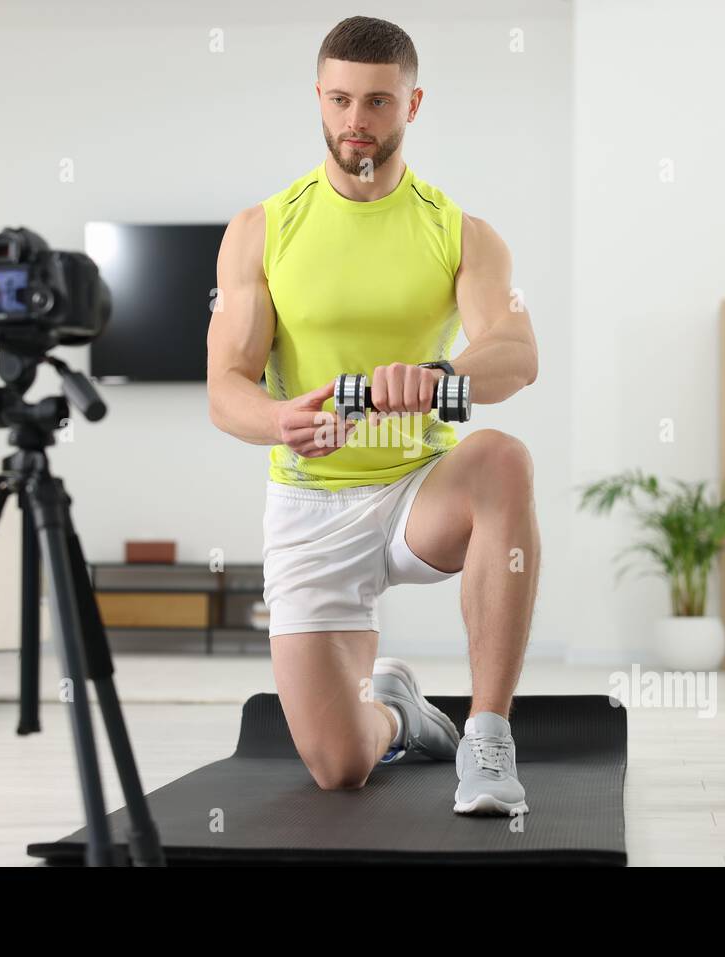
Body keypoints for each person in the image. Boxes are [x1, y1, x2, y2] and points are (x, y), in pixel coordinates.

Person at [207, 15, 539, 815]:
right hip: (309, 502)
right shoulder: (262, 229)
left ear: (413, 103)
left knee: (502, 456)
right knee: (340, 766)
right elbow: (225, 386)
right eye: (341, 99)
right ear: (319, 98)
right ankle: (400, 712)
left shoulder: (462, 233)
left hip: (418, 491)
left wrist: (436, 378)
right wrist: (280, 418)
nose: (357, 121)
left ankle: (486, 733)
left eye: (379, 102)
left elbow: (517, 355)